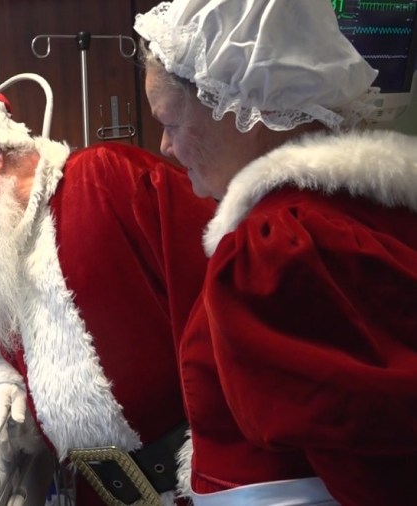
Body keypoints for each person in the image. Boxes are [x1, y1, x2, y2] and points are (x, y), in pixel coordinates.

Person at [134, 1, 417, 504]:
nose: (165, 148)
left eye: (170, 122)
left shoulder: (279, 246)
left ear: (239, 108)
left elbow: (374, 475)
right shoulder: (367, 207)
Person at [0, 93, 216, 504]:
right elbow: (34, 353)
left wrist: (221, 436)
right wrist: (11, 384)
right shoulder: (3, 244)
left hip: (193, 477)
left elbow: (216, 291)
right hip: (100, 490)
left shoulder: (105, 178)